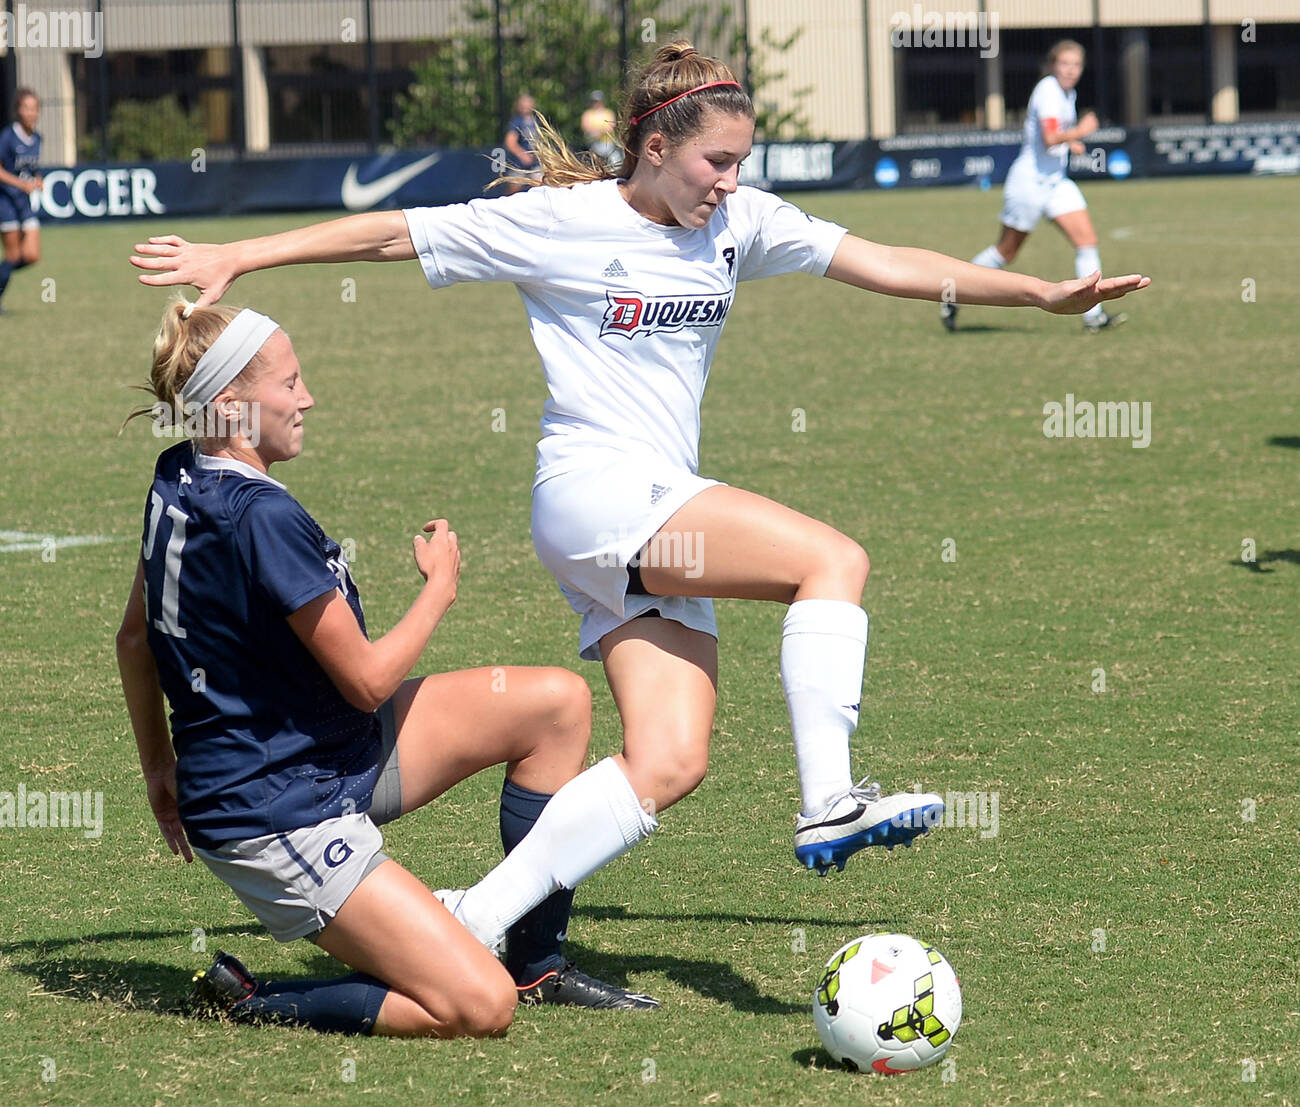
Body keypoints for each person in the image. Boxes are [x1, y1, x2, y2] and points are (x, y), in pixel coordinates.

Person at [130, 42, 1148, 956]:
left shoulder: (740, 222)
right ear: (655, 146)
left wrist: (1043, 293)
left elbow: (883, 262)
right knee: (829, 562)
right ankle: (830, 799)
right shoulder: (558, 224)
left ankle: (477, 918)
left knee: (668, 760)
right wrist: (241, 256)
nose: (731, 182)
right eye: (716, 162)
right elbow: (392, 236)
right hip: (597, 494)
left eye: (742, 163)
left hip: (654, 510)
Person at [116, 300, 656, 1037]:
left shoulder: (176, 471)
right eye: (291, 383)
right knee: (476, 1006)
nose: (307, 398)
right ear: (235, 405)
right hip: (277, 809)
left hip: (325, 748)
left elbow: (133, 640)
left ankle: (538, 963)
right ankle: (259, 1000)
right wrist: (439, 587)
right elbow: (368, 679)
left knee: (555, 705)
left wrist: (158, 768)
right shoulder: (258, 518)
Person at [940, 40, 1123, 333]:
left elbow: (1054, 138)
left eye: (1076, 65)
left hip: (1055, 182)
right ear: (1053, 65)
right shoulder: (1048, 90)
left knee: (1087, 242)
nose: (1070, 70)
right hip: (1029, 183)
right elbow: (1050, 138)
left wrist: (1072, 142)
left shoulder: (1068, 93)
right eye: (1064, 64)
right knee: (1006, 253)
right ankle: (952, 293)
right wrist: (1081, 131)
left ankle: (1094, 316)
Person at [0, 88, 43, 314]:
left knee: (32, 255)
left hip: (24, 205)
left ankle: (2, 274)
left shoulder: (37, 138)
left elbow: (32, 168)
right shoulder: (7, 136)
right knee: (13, 256)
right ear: (18, 110)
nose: (30, 112)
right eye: (26, 108)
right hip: (6, 204)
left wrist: (38, 179)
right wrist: (20, 184)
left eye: (34, 108)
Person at [503, 93, 541, 195]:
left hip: (535, 162)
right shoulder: (517, 121)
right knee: (513, 190)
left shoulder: (536, 121)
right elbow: (510, 142)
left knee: (539, 188)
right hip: (519, 163)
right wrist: (522, 155)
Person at [582, 90, 620, 168]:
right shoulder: (588, 114)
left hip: (608, 144)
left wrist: (598, 131)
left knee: (615, 160)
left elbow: (610, 127)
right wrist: (600, 130)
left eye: (598, 101)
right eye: (594, 101)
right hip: (593, 145)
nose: (596, 103)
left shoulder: (608, 113)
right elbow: (585, 127)